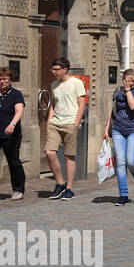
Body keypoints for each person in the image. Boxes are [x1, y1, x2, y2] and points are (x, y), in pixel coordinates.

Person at [104, 67, 134, 205]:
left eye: (133, 81)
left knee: (131, 161)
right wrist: (106, 130)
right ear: (123, 79)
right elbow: (112, 111)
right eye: (128, 81)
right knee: (121, 162)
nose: (131, 83)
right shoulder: (118, 90)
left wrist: (129, 90)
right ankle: (123, 194)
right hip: (118, 129)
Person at [45, 57, 87, 200]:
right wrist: (49, 120)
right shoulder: (54, 84)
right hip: (55, 122)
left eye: (56, 69)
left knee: (69, 156)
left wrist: (76, 123)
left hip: (70, 122)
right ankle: (60, 183)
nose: (54, 72)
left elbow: (82, 103)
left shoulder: (76, 82)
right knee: (49, 152)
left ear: (65, 69)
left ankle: (69, 188)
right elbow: (53, 103)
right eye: (52, 69)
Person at [0, 67, 26, 200]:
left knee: (13, 161)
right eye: (0, 79)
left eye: (5, 79)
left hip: (11, 134)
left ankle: (18, 189)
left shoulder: (16, 94)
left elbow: (19, 111)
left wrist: (12, 124)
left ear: (10, 80)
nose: (2, 81)